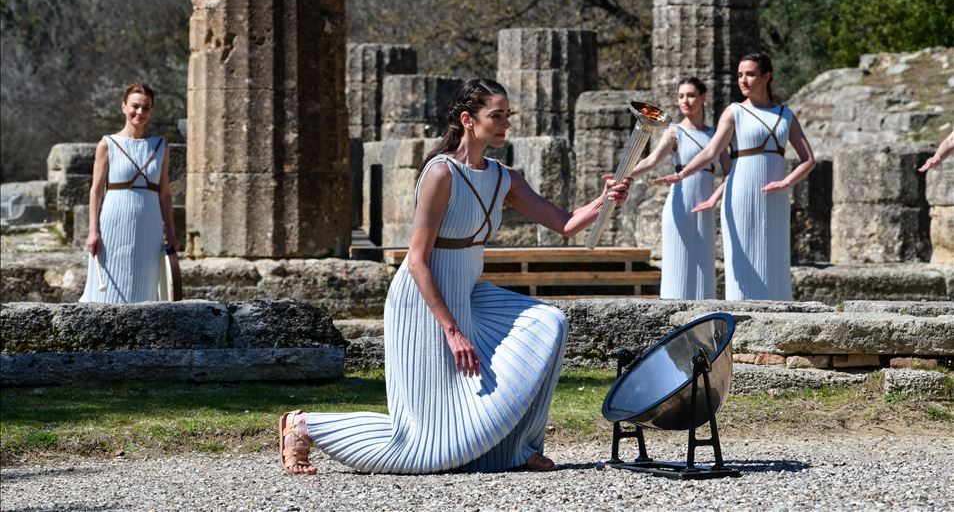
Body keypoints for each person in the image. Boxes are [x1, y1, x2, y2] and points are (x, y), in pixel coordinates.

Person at [279, 78, 631, 475]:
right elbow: (416, 260)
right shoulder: (441, 173)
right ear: (468, 119)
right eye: (496, 116)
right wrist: (452, 331)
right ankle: (304, 425)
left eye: (508, 116)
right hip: (422, 304)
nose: (505, 124)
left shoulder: (505, 177)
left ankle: (521, 447)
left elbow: (565, 224)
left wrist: (605, 200)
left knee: (550, 322)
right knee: (422, 445)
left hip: (467, 296)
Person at [655, 54, 815, 300]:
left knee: (775, 259)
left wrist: (786, 182)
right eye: (740, 75)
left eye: (750, 74)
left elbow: (808, 159)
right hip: (741, 193)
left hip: (776, 197)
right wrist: (683, 173)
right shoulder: (734, 112)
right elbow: (711, 152)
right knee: (742, 262)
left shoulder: (785, 114)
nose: (743, 80)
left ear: (766, 77)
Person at [628, 78, 731, 300]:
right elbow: (651, 161)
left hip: (704, 209)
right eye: (681, 96)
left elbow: (729, 174)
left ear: (703, 98)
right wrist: (625, 175)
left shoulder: (716, 134)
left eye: (691, 95)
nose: (685, 100)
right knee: (677, 267)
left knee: (703, 270)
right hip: (679, 206)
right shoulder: (675, 131)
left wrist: (714, 199)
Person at [79, 83, 177, 303]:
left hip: (149, 224)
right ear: (124, 106)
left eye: (146, 107)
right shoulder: (107, 144)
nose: (140, 112)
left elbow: (164, 193)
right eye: (135, 106)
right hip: (114, 222)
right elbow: (96, 191)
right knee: (106, 291)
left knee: (144, 286)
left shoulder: (160, 146)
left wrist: (171, 231)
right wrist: (93, 231)